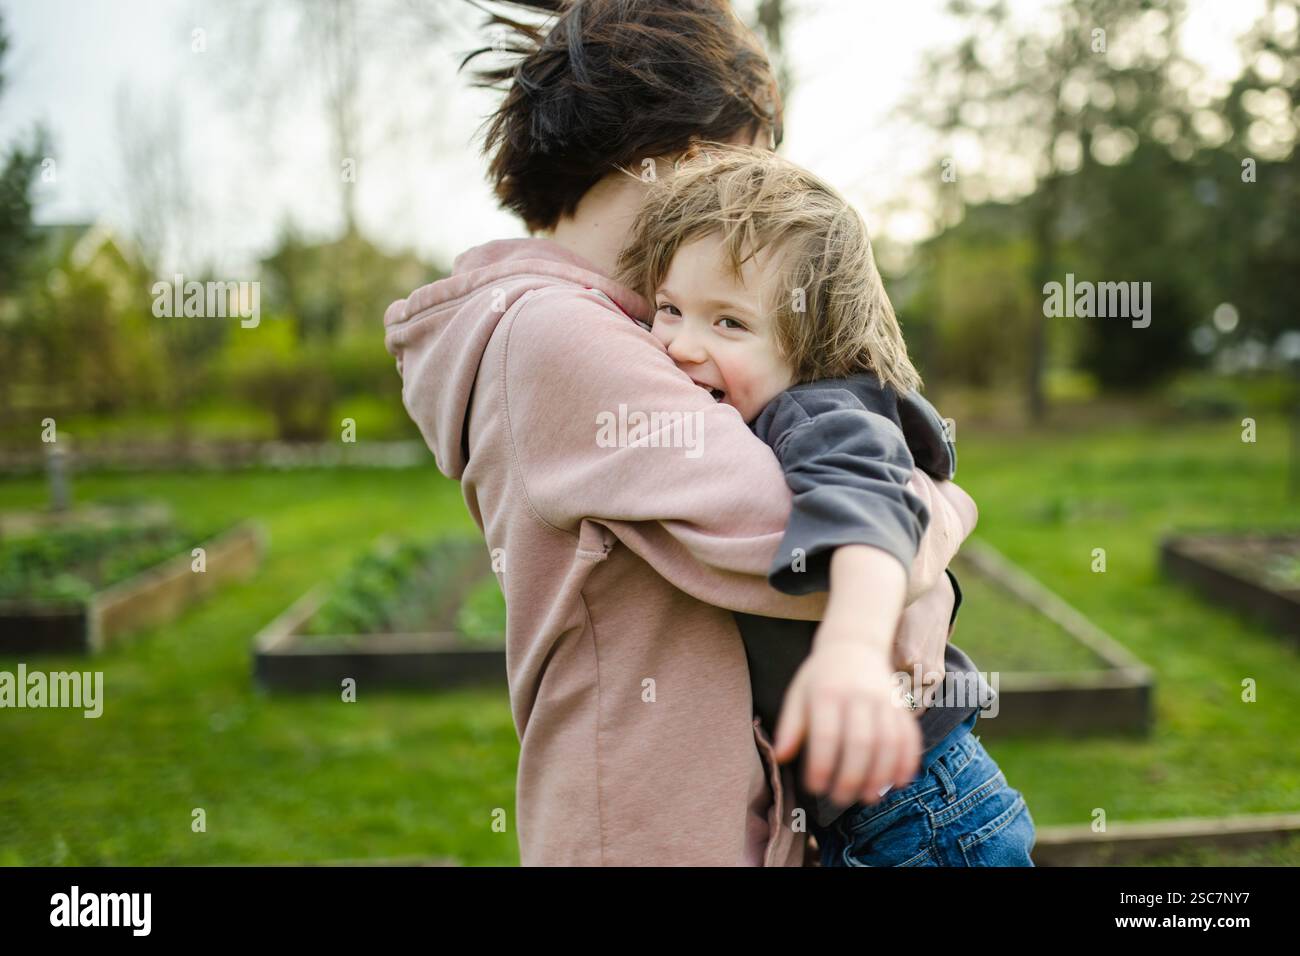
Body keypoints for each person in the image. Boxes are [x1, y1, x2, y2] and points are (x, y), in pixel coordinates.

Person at [384, 0, 974, 865]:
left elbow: (848, 507)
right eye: (757, 159)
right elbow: (798, 530)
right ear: (698, 157)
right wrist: (942, 528)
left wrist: (921, 582)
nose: (762, 194)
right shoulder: (556, 337)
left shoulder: (634, 329)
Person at [617, 146, 1035, 866]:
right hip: (891, 810)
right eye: (670, 309)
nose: (681, 345)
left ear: (810, 341)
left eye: (729, 324)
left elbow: (869, 515)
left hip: (922, 811)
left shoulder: (817, 413)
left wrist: (847, 646)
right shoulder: (755, 410)